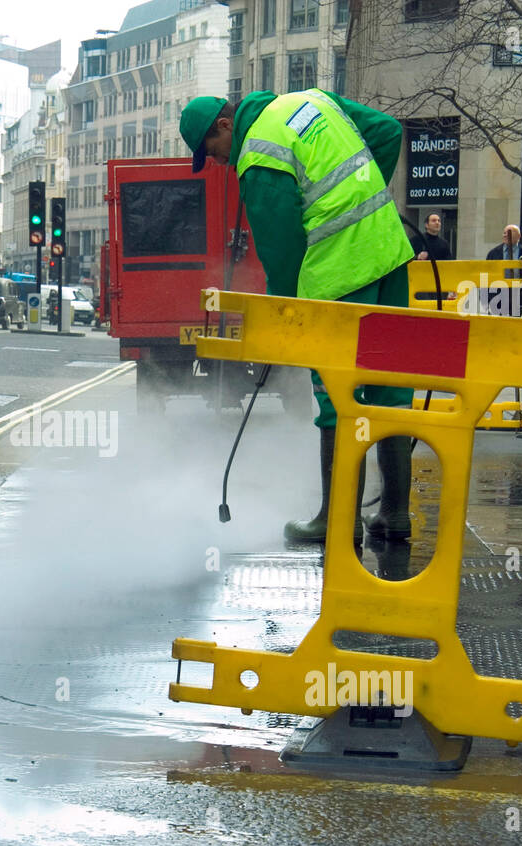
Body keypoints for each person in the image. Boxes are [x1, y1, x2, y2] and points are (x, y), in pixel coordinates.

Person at [179, 90, 416, 545]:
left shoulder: (257, 157)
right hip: (389, 254)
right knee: (389, 386)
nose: (219, 163)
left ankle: (336, 520)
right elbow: (388, 132)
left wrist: (287, 319)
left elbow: (282, 251)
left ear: (225, 128)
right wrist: (362, 205)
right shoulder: (310, 100)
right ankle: (394, 514)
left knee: (336, 395)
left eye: (212, 152)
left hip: (343, 272)